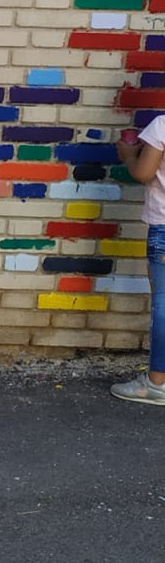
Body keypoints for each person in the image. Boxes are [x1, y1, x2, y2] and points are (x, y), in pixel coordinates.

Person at [112, 124, 165, 406]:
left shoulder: (162, 125)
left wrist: (131, 155)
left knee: (164, 303)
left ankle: (158, 383)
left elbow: (143, 173)